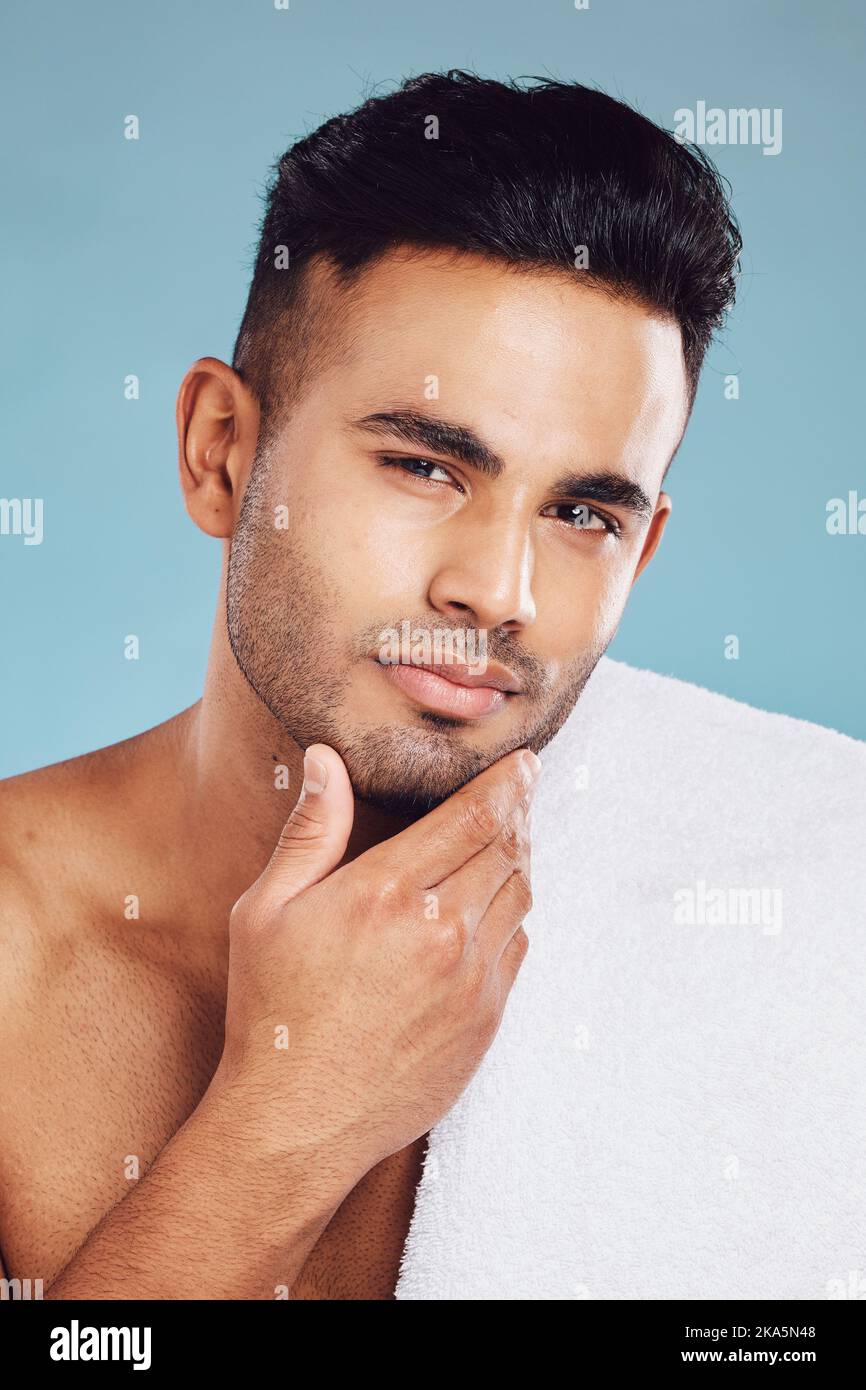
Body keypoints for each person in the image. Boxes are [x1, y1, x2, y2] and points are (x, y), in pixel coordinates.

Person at [1, 71, 861, 1302]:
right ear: (221, 455)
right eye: (423, 464)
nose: (497, 589)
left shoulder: (809, 927)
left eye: (581, 513)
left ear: (644, 550)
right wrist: (291, 1116)